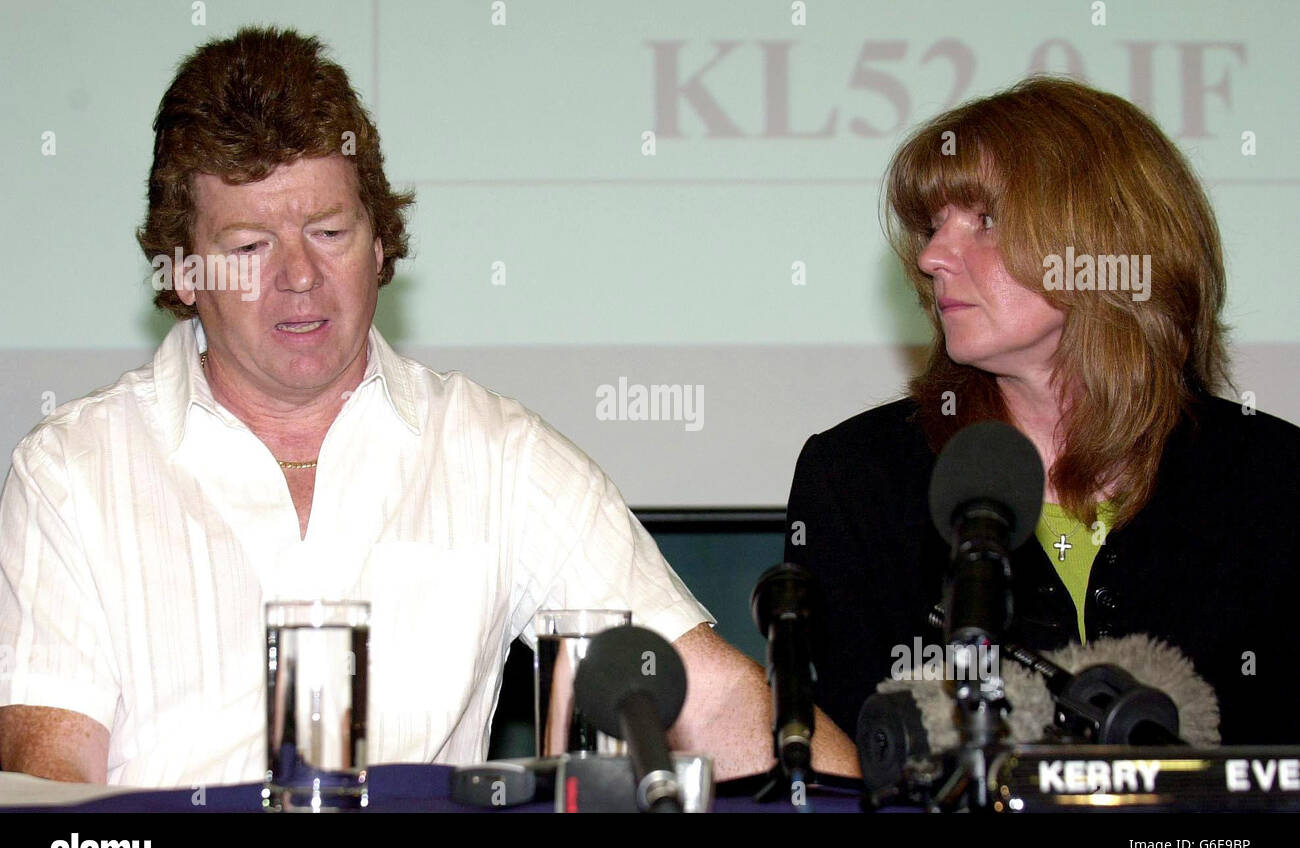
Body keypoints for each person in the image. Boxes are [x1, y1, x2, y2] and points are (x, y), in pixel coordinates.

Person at [0, 27, 858, 786]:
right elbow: (52, 787)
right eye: (251, 245)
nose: (299, 275)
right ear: (185, 270)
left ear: (382, 244)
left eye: (330, 233)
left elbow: (700, 698)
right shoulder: (75, 470)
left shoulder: (493, 453)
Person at [784, 75, 1300, 746]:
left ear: (1106, 242)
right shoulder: (859, 478)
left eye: (985, 220)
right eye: (935, 225)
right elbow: (845, 766)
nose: (934, 255)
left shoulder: (1272, 479)